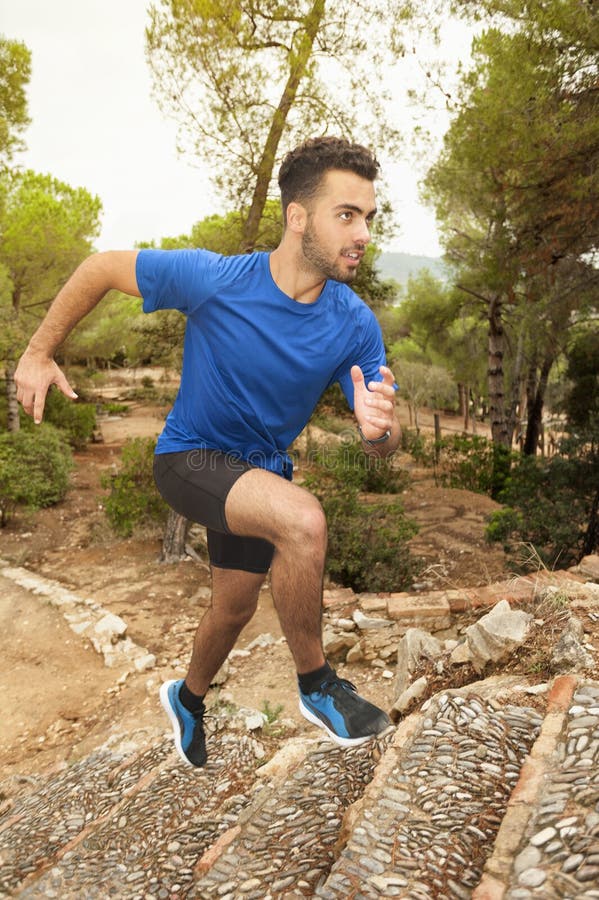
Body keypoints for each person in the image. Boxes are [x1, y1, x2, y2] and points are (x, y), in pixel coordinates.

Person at [14, 136, 401, 769]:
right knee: (303, 520)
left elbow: (384, 447)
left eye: (368, 217)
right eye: (346, 215)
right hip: (189, 458)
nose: (362, 234)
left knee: (235, 606)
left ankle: (187, 697)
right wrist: (38, 352)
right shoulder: (217, 280)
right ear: (298, 217)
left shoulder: (354, 323)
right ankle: (317, 685)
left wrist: (377, 430)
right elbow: (102, 267)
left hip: (258, 473)